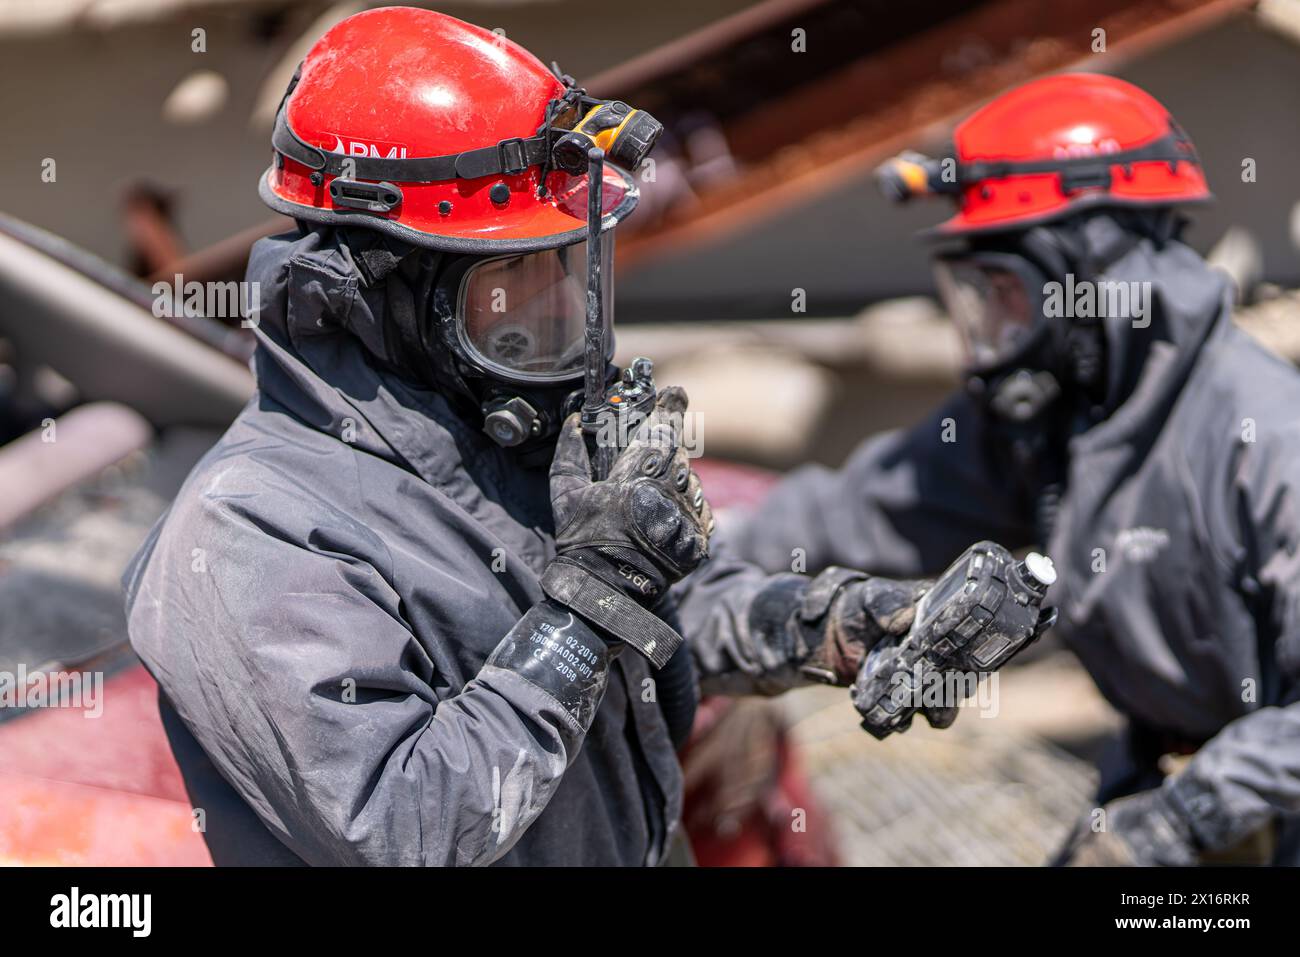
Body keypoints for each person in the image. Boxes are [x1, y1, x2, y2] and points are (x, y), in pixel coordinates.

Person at [125, 6, 984, 867]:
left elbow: (659, 615)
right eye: (511, 284)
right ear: (367, 296)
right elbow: (410, 826)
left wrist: (833, 623)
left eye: (566, 270)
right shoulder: (253, 534)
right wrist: (588, 601)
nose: (561, 319)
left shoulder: (482, 434)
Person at [728, 73, 1300, 866]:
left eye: (1005, 293)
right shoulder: (1049, 417)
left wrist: (1182, 820)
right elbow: (857, 514)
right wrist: (695, 559)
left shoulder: (1265, 436)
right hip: (1170, 790)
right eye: (974, 296)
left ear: (1089, 274)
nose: (988, 336)